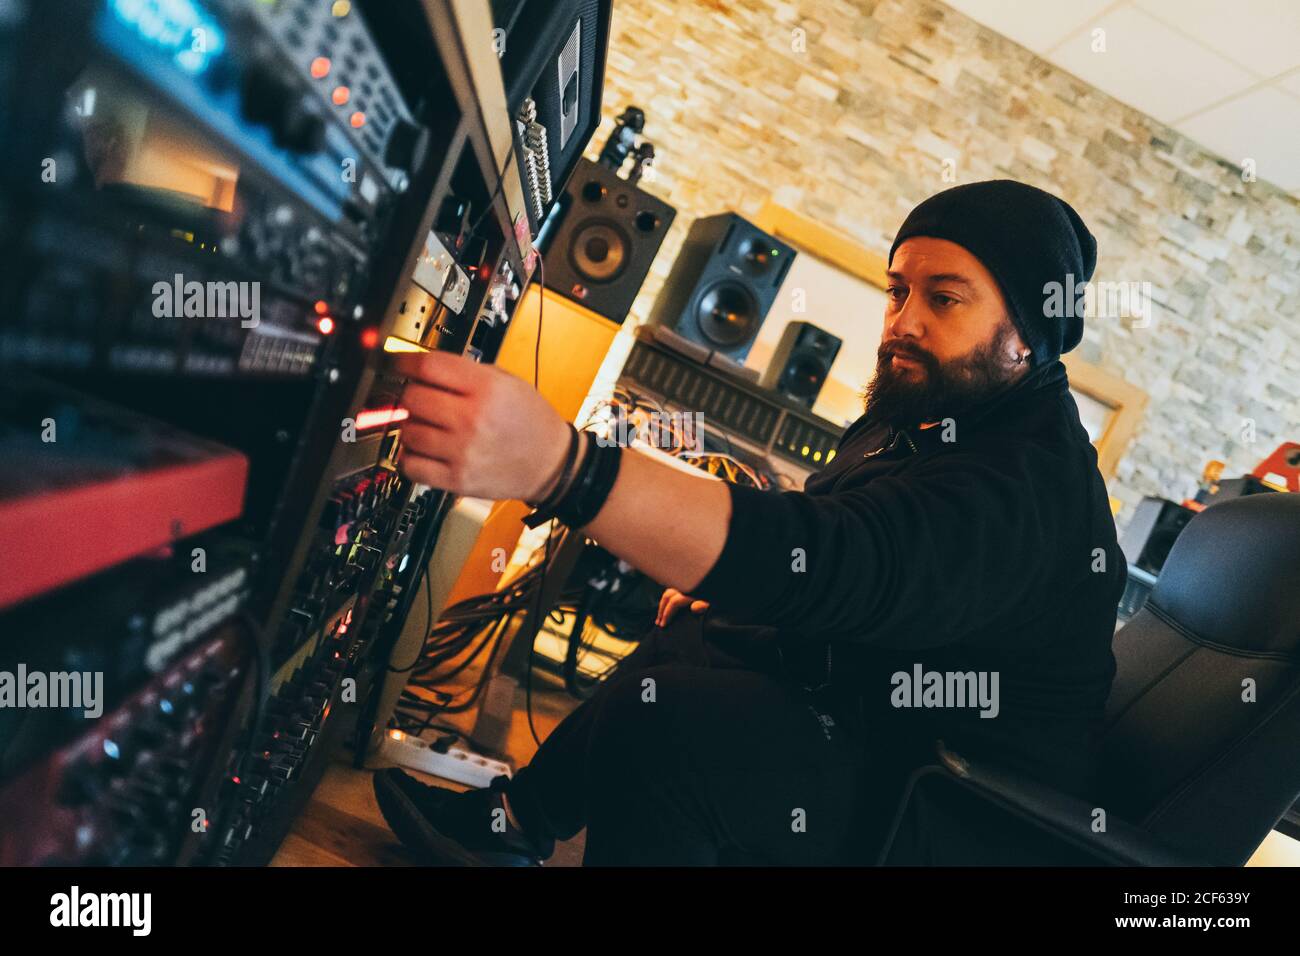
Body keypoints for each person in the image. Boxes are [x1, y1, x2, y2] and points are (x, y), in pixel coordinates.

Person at [372, 180, 1126, 865]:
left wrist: (565, 468)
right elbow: (827, 539)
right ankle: (520, 818)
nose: (904, 323)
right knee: (693, 633)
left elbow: (839, 559)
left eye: (945, 299)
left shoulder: (1030, 483)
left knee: (668, 725)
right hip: (886, 724)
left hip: (953, 808)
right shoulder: (920, 414)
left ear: (1028, 331)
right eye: (898, 293)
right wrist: (737, 606)